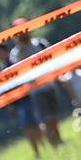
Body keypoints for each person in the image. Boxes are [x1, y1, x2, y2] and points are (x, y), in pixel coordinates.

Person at [9, 20, 64, 150]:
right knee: (46, 119)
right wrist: (22, 52)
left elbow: (52, 59)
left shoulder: (40, 43)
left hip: (49, 85)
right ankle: (54, 144)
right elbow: (17, 71)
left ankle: (58, 140)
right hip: (35, 90)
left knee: (54, 117)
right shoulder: (16, 52)